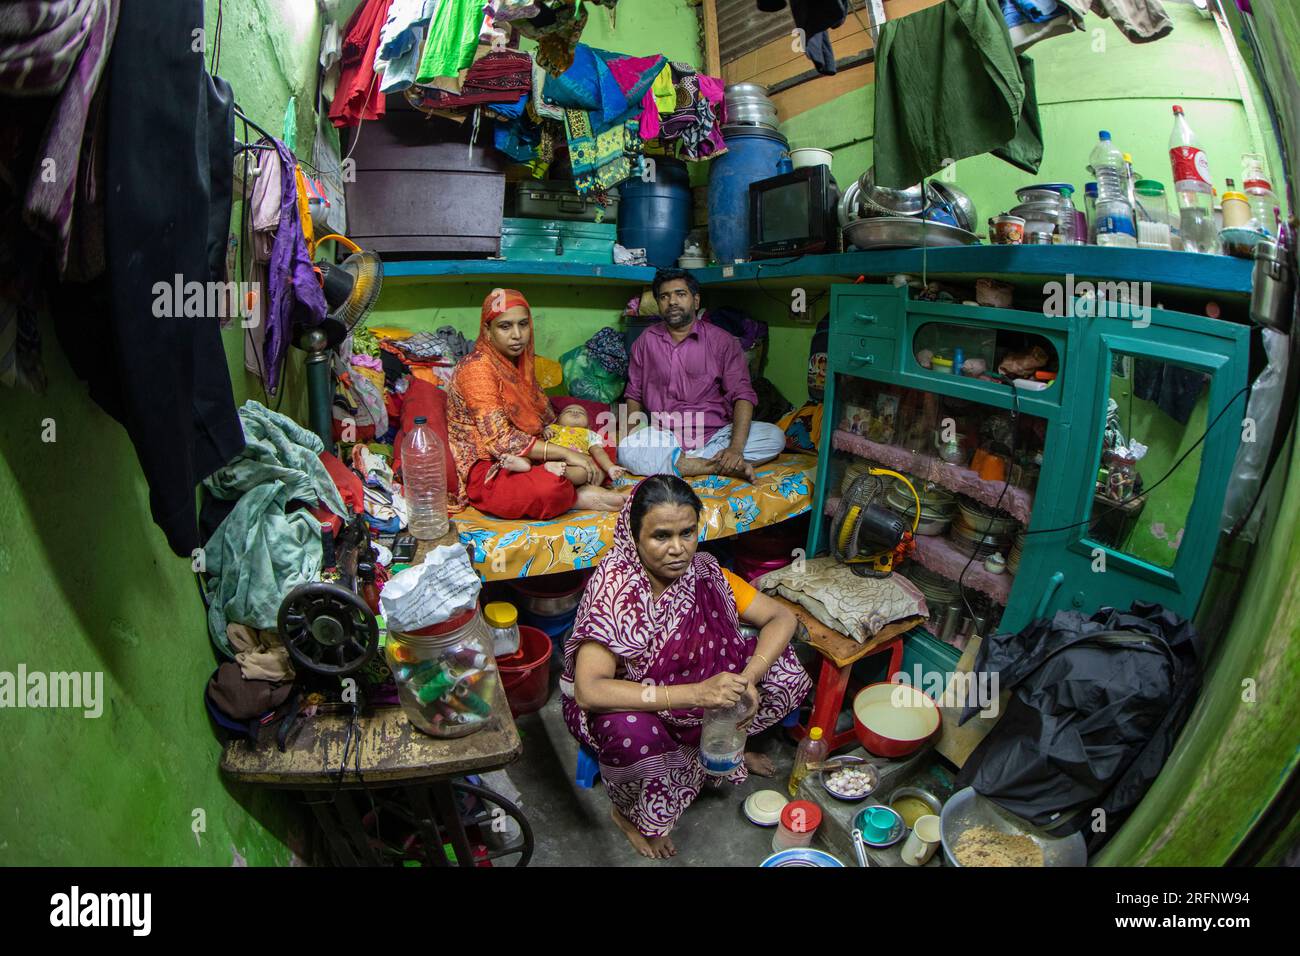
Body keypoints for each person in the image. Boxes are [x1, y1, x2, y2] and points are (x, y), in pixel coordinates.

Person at [561, 475, 813, 859]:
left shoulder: (706, 574)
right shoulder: (615, 590)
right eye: (661, 536)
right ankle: (627, 814)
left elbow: (781, 617)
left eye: (687, 532)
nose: (678, 549)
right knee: (633, 737)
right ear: (634, 536)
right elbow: (590, 690)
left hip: (703, 699)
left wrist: (745, 681)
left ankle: (719, 753)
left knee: (785, 673)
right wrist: (696, 693)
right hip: (637, 699)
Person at [446, 289, 626, 519]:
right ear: (487, 331)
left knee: (599, 444)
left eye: (523, 324)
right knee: (546, 490)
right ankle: (577, 496)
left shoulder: (520, 365)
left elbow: (545, 417)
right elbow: (500, 440)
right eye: (505, 326)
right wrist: (569, 455)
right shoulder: (476, 369)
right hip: (493, 464)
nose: (517, 335)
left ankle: (574, 483)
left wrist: (574, 445)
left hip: (532, 451)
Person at [617, 268, 788, 482]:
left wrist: (735, 449)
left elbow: (743, 394)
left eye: (680, 294)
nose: (672, 301)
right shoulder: (646, 341)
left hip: (715, 436)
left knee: (774, 437)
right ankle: (711, 466)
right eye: (664, 296)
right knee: (625, 449)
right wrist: (632, 437)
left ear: (696, 300)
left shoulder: (722, 341)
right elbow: (634, 393)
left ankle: (685, 464)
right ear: (659, 304)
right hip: (665, 438)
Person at [501, 403, 628, 486]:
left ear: (589, 425)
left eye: (581, 412)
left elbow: (599, 452)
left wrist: (610, 467)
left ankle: (562, 471)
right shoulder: (552, 427)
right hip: (546, 455)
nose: (575, 412)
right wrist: (545, 430)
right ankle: (523, 463)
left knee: (583, 473)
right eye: (568, 411)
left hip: (574, 463)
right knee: (530, 447)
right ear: (558, 420)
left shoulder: (590, 434)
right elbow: (535, 437)